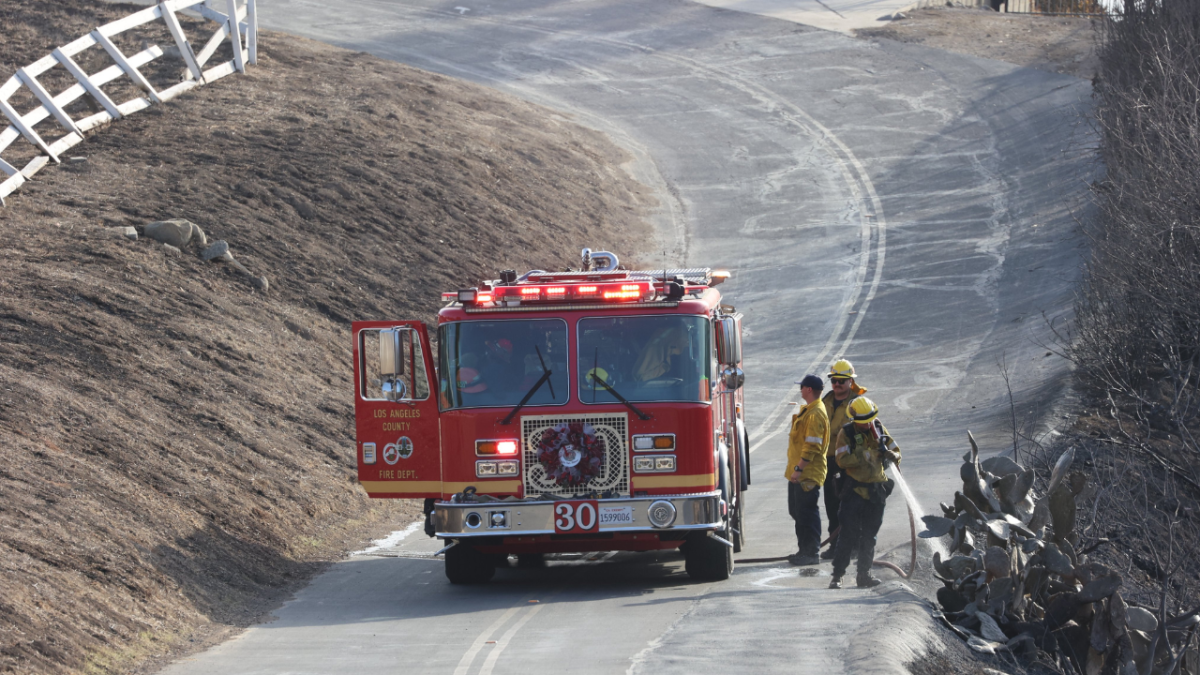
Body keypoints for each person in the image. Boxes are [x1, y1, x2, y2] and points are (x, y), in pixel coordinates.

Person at [828, 396, 901, 589]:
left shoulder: (878, 428)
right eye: (862, 423)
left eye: (869, 421)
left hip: (876, 491)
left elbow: (895, 449)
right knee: (848, 534)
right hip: (854, 490)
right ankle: (837, 576)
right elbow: (842, 460)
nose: (867, 425)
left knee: (870, 535)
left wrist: (895, 455)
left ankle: (864, 575)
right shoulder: (847, 433)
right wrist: (864, 455)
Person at [820, 358, 867, 559]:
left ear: (850, 382)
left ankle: (854, 547)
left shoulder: (859, 404)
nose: (837, 384)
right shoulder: (825, 402)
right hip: (829, 463)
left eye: (841, 380)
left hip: (851, 465)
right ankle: (836, 546)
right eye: (834, 380)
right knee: (832, 507)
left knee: (851, 507)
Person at [785, 375, 829, 566]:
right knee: (797, 512)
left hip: (807, 474)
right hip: (799, 473)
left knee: (807, 513)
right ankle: (804, 550)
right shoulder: (809, 410)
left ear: (809, 389)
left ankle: (811, 553)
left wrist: (799, 469)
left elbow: (812, 446)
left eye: (802, 387)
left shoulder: (815, 414)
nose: (800, 390)